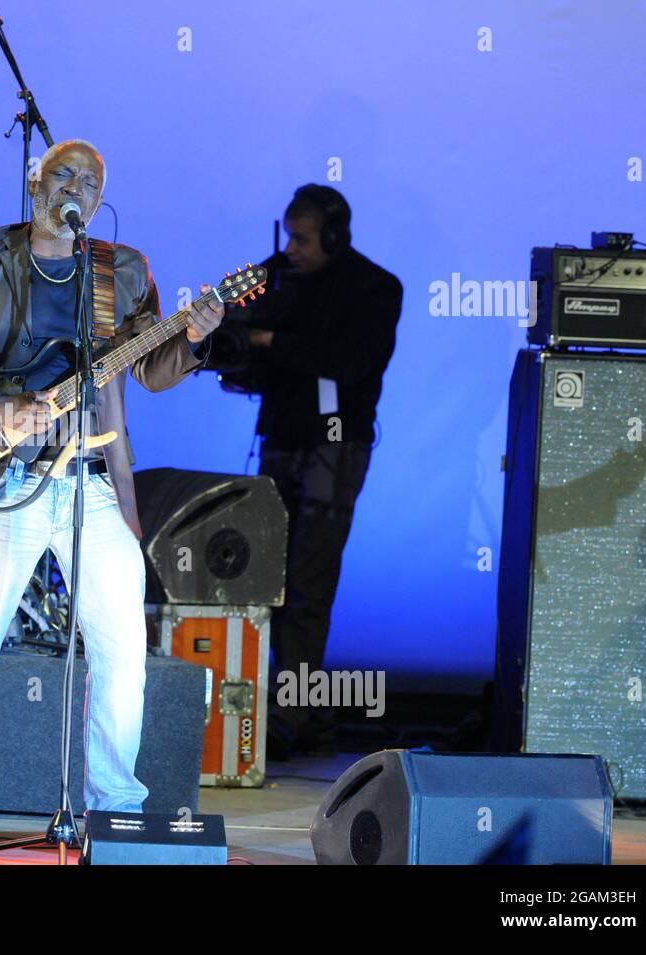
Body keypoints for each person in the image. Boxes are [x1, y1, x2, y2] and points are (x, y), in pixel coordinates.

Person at [0, 139, 224, 850]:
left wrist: (195, 339)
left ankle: (116, 811)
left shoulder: (120, 269)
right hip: (3, 479)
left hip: (92, 481)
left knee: (122, 648)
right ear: (34, 180)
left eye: (91, 181)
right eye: (64, 175)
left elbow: (150, 369)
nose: (76, 187)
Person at [227, 184, 402, 757]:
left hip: (334, 445)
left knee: (307, 582)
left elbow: (347, 365)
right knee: (265, 577)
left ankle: (296, 711)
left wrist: (271, 340)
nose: (292, 249)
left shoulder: (375, 289)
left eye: (302, 239)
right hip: (281, 438)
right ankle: (273, 704)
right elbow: (240, 332)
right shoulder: (276, 276)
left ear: (332, 236)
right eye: (288, 236)